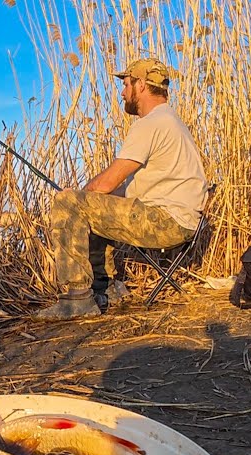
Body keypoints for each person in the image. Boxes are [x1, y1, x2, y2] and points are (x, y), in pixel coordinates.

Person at [32, 57, 210, 321]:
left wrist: (76, 198)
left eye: (126, 84)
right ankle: (105, 288)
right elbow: (117, 191)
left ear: (141, 85)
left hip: (166, 222)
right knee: (93, 202)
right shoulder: (171, 121)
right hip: (180, 221)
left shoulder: (150, 123)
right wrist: (89, 198)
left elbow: (105, 184)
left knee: (69, 203)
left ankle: (77, 300)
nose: (122, 92)